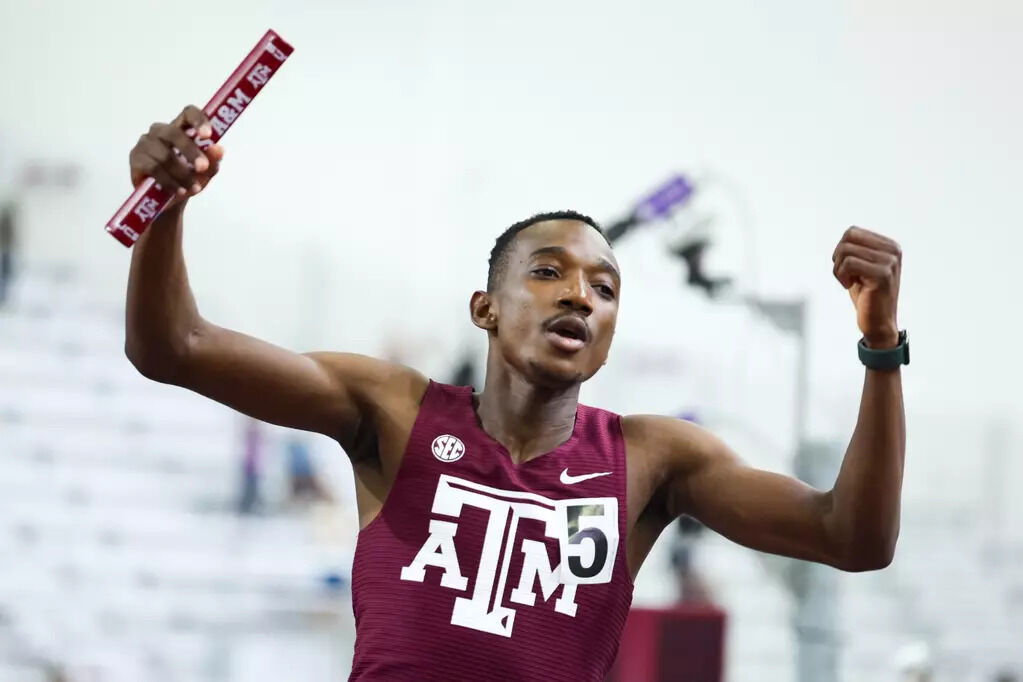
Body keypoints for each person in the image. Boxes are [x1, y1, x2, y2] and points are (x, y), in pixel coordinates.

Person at [124, 105, 907, 682]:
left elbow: (852, 538)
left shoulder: (650, 459)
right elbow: (173, 347)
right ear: (485, 309)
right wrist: (166, 206)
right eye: (547, 273)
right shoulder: (393, 410)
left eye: (604, 288)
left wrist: (880, 345)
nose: (580, 296)